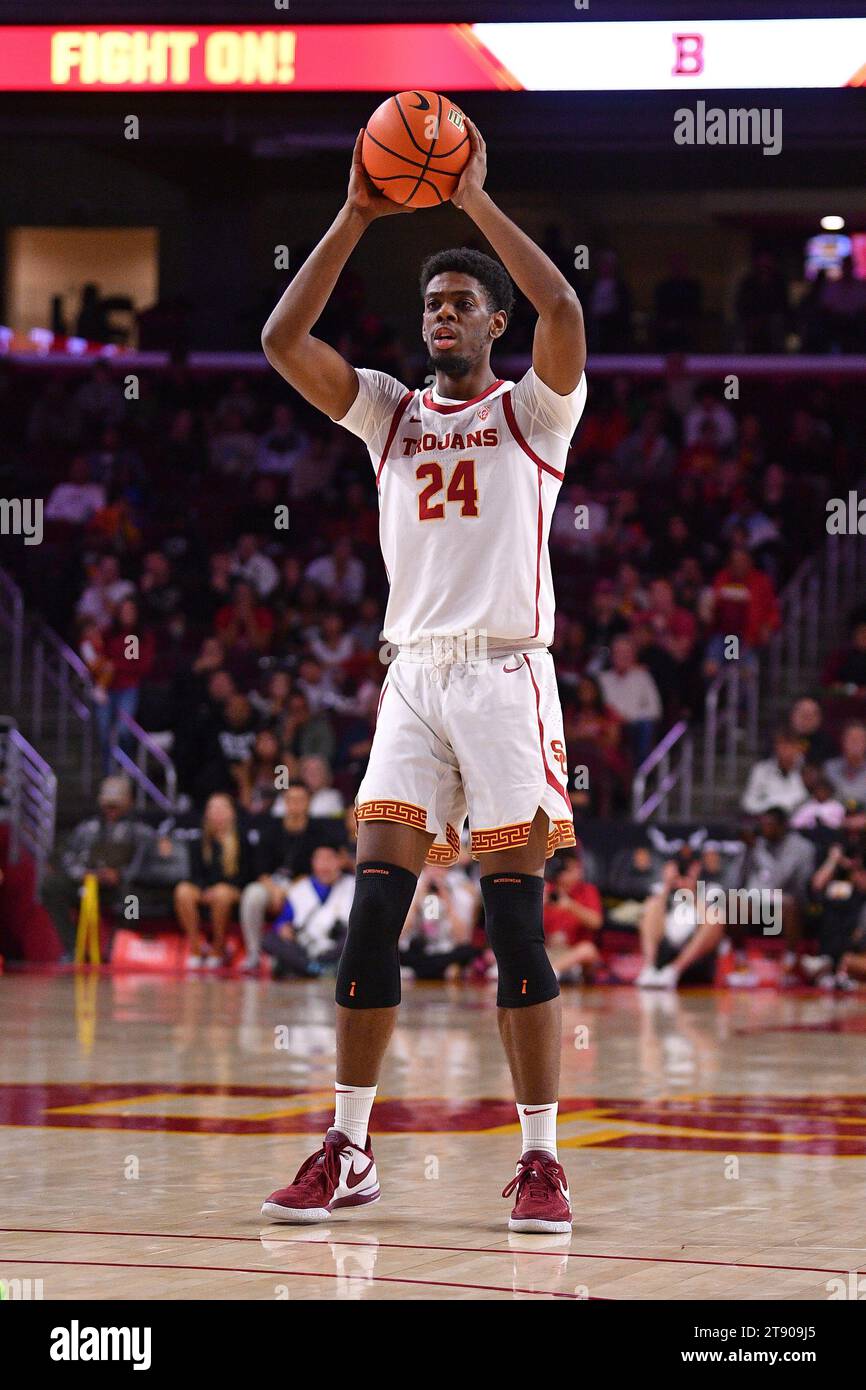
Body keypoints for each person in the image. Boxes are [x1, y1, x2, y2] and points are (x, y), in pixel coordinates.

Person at [259, 117, 584, 1232]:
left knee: (513, 926)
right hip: (412, 680)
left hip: (503, 677)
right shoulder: (389, 412)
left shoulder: (532, 410)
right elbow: (279, 338)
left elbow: (567, 314)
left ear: (492, 322)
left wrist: (474, 201)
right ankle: (348, 1148)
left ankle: (541, 1160)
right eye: (430, 304)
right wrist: (356, 209)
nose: (440, 315)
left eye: (459, 303)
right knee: (369, 916)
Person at [40, 776, 152, 962]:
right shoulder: (87, 829)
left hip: (123, 888)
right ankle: (73, 948)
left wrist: (120, 874)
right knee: (51, 886)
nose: (111, 811)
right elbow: (67, 857)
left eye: (115, 806)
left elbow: (147, 865)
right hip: (88, 886)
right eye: (108, 806)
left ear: (129, 803)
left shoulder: (141, 832)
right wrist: (83, 873)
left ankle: (121, 946)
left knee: (133, 901)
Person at [239, 782, 346, 970]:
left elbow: (323, 868)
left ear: (309, 802)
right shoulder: (270, 829)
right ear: (284, 802)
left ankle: (313, 959)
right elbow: (259, 870)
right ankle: (253, 955)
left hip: (306, 886)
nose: (295, 804)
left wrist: (294, 888)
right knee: (252, 895)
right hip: (272, 887)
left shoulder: (319, 832)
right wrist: (274, 890)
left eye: (300, 800)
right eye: (291, 800)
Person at [173, 793, 250, 969]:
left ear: (232, 813)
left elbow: (246, 875)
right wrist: (203, 889)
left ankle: (218, 948)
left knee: (222, 894)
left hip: (233, 890)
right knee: (183, 890)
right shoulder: (199, 840)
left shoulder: (242, 839)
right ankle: (195, 948)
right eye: (213, 808)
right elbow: (194, 873)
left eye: (222, 808)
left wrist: (222, 887)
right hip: (206, 889)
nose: (218, 813)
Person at [262, 845, 356, 980]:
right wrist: (283, 928)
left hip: (337, 947)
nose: (324, 866)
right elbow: (282, 922)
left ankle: (316, 967)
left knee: (355, 934)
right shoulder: (299, 890)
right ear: (313, 862)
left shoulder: (353, 885)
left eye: (329, 859)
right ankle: (314, 968)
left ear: (340, 861)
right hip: (305, 947)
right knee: (269, 939)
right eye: (320, 860)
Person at [636, 850, 725, 989]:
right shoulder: (660, 889)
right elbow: (649, 915)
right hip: (665, 948)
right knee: (652, 905)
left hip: (695, 956)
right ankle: (649, 968)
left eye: (689, 868)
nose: (684, 871)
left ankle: (674, 971)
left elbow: (714, 921)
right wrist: (667, 885)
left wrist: (691, 892)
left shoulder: (711, 889)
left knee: (716, 916)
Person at [543, 848, 603, 984]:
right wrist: (538, 904)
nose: (577, 873)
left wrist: (571, 906)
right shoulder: (547, 891)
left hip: (574, 956)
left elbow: (596, 922)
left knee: (588, 950)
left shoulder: (588, 890)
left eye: (576, 868)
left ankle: (550, 973)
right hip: (548, 952)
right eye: (568, 870)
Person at [740, 729, 808, 818]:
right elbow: (748, 802)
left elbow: (811, 802)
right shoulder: (761, 769)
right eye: (782, 745)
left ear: (799, 748)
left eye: (791, 745)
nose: (786, 751)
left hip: (801, 822)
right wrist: (773, 810)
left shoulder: (808, 769)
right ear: (775, 747)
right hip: (767, 820)